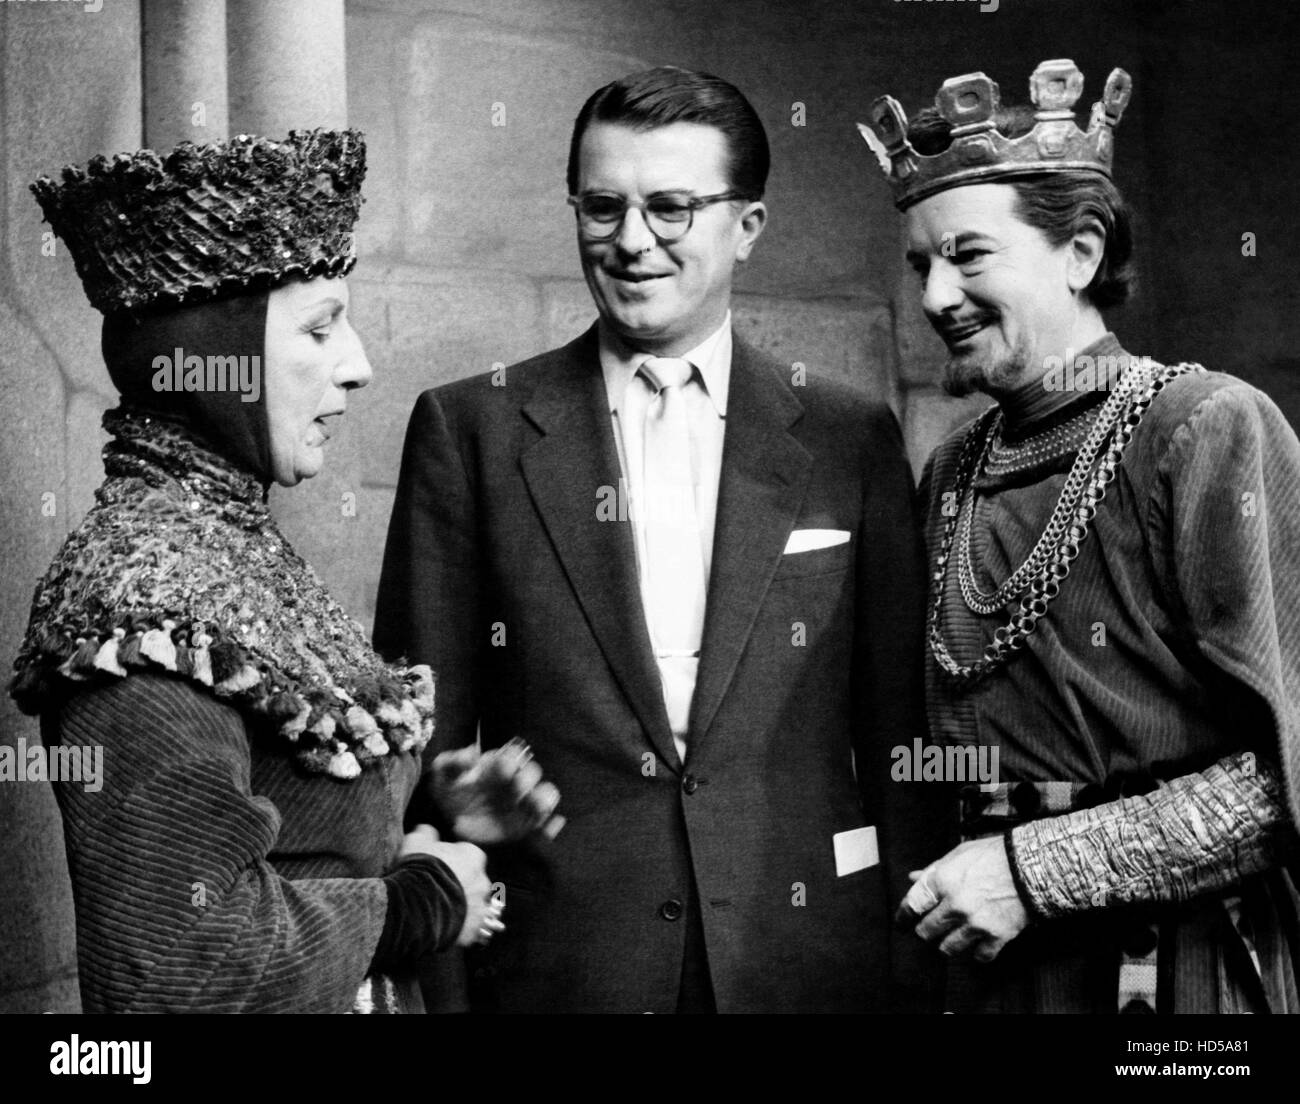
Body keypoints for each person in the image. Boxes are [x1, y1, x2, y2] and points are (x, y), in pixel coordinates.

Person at [375, 66, 943, 1013]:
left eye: (671, 208)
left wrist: (924, 979)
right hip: (558, 966)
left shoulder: (852, 435)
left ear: (747, 227)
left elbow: (902, 743)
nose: (632, 242)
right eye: (603, 207)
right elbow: (415, 753)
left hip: (806, 963)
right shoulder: (469, 429)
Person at [11, 129, 561, 1014]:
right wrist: (424, 903)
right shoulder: (143, 600)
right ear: (207, 357)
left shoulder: (231, 552)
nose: (358, 366)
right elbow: (179, 967)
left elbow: (286, 840)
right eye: (318, 328)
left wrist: (427, 818)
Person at [862, 59, 1300, 1012]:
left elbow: (1286, 782)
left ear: (1083, 251)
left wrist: (1033, 870)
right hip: (986, 972)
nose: (936, 296)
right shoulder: (951, 471)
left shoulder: (1208, 426)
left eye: (970, 256)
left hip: (1174, 976)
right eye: (920, 265)